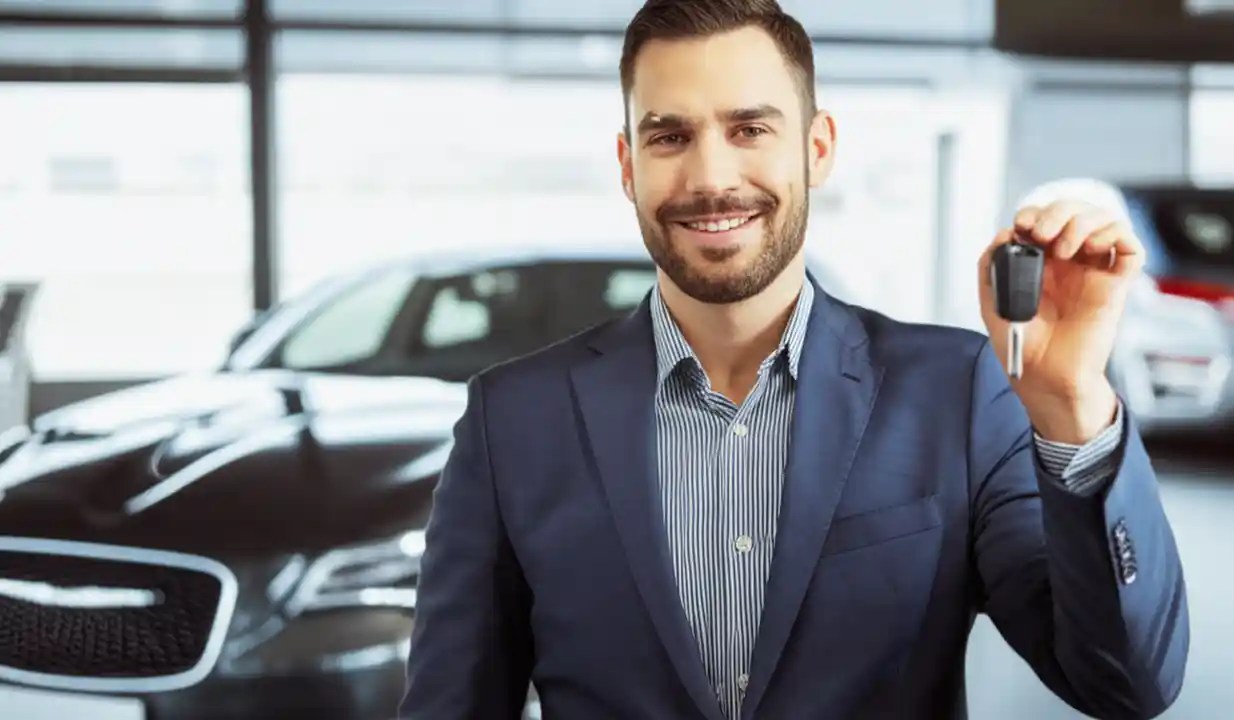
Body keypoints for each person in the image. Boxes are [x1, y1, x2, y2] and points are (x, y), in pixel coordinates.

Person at [398, 1, 1189, 718]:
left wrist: (1074, 406)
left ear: (817, 149)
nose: (710, 178)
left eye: (749, 129)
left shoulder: (954, 393)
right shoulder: (514, 419)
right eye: (669, 135)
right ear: (627, 163)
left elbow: (1124, 684)